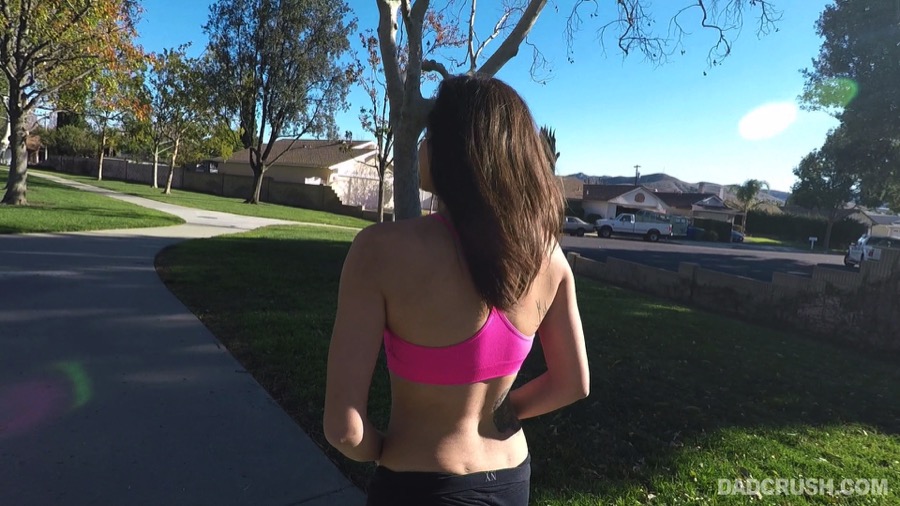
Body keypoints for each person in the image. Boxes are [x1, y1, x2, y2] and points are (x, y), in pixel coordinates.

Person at [324, 74, 590, 506]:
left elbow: (343, 428)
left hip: (417, 485)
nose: (422, 146)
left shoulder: (379, 251)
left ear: (454, 150)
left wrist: (382, 450)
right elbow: (573, 382)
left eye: (429, 135)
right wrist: (506, 410)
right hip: (510, 478)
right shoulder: (550, 258)